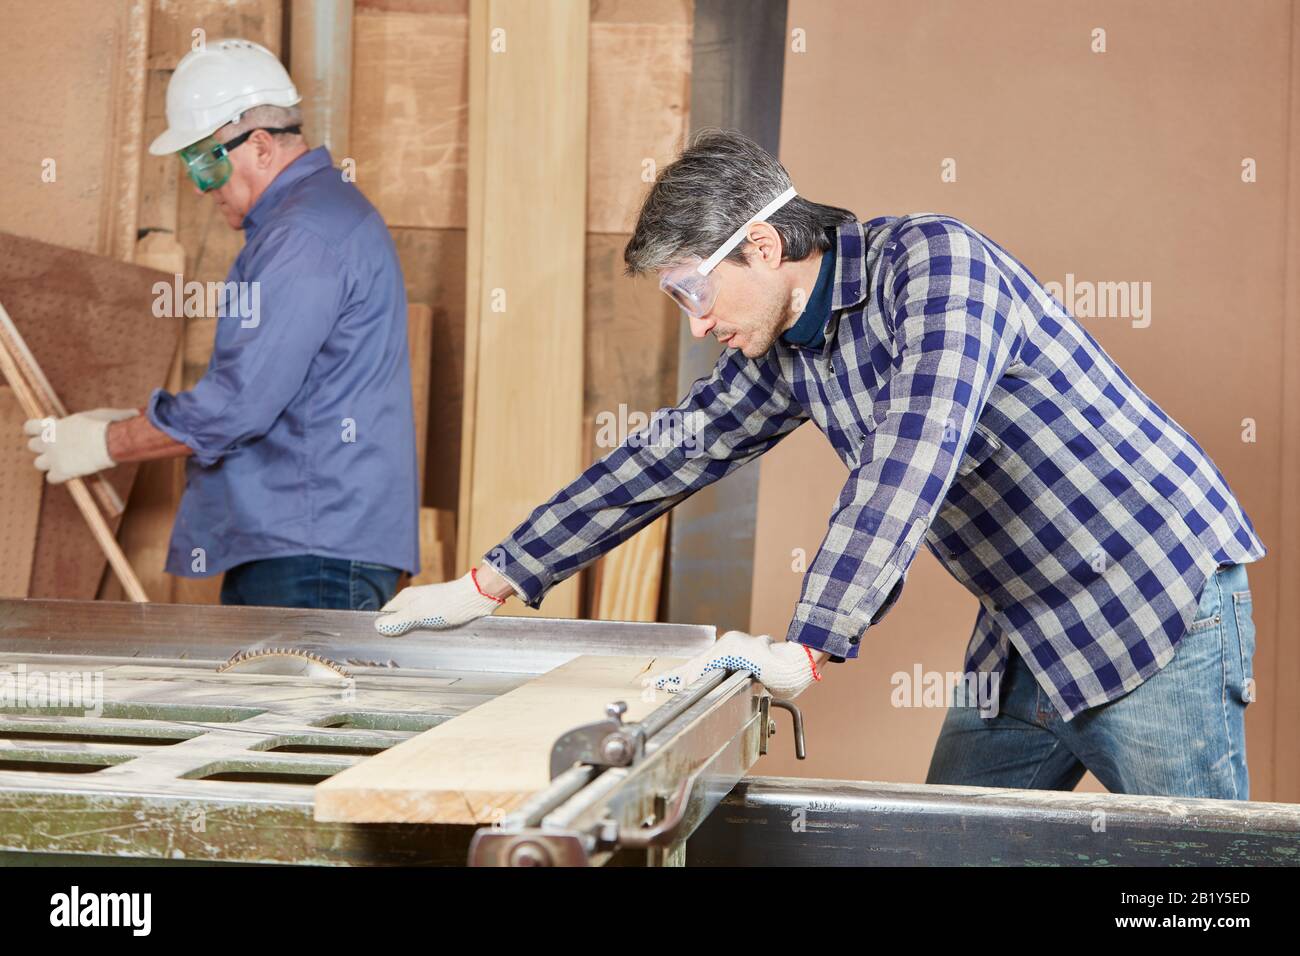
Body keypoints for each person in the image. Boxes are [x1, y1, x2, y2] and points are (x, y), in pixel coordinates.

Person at [372, 128, 1264, 799]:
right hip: (1027, 622)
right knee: (947, 851)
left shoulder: (938, 268)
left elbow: (910, 456)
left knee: (1199, 883)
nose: (697, 323)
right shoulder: (787, 348)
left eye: (692, 289)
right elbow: (666, 456)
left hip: (1155, 603)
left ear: (762, 248)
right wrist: (489, 581)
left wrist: (811, 638)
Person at [23, 38, 419, 610]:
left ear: (260, 145)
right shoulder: (313, 221)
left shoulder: (302, 237)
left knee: (286, 702)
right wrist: (136, 422)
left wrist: (106, 443)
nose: (199, 185)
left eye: (206, 163)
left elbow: (240, 405)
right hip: (310, 543)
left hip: (311, 553)